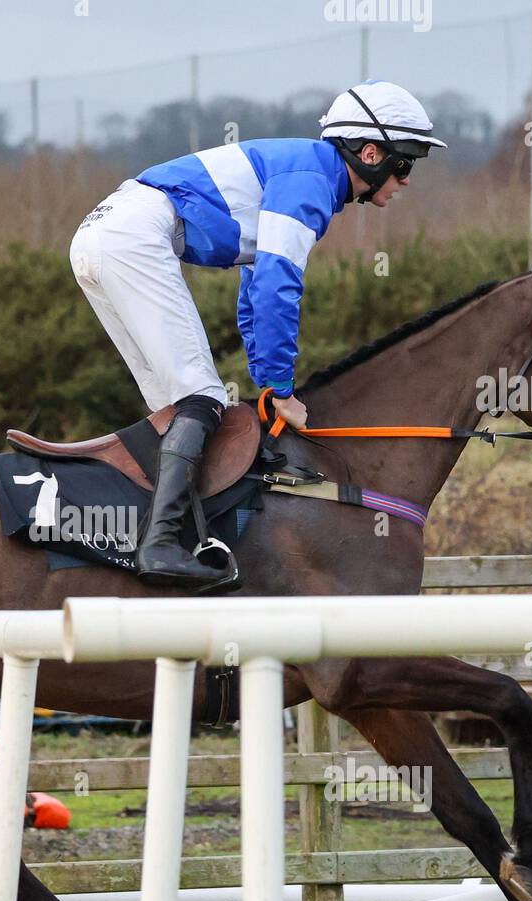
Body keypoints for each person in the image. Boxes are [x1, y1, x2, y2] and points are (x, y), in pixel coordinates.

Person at [69, 81, 446, 589]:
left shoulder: (305, 172)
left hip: (103, 233)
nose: (405, 180)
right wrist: (282, 389)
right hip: (132, 236)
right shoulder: (312, 180)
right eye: (406, 163)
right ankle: (160, 547)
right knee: (200, 399)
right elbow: (276, 286)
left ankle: (172, 540)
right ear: (371, 153)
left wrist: (265, 383)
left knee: (176, 408)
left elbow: (252, 291)